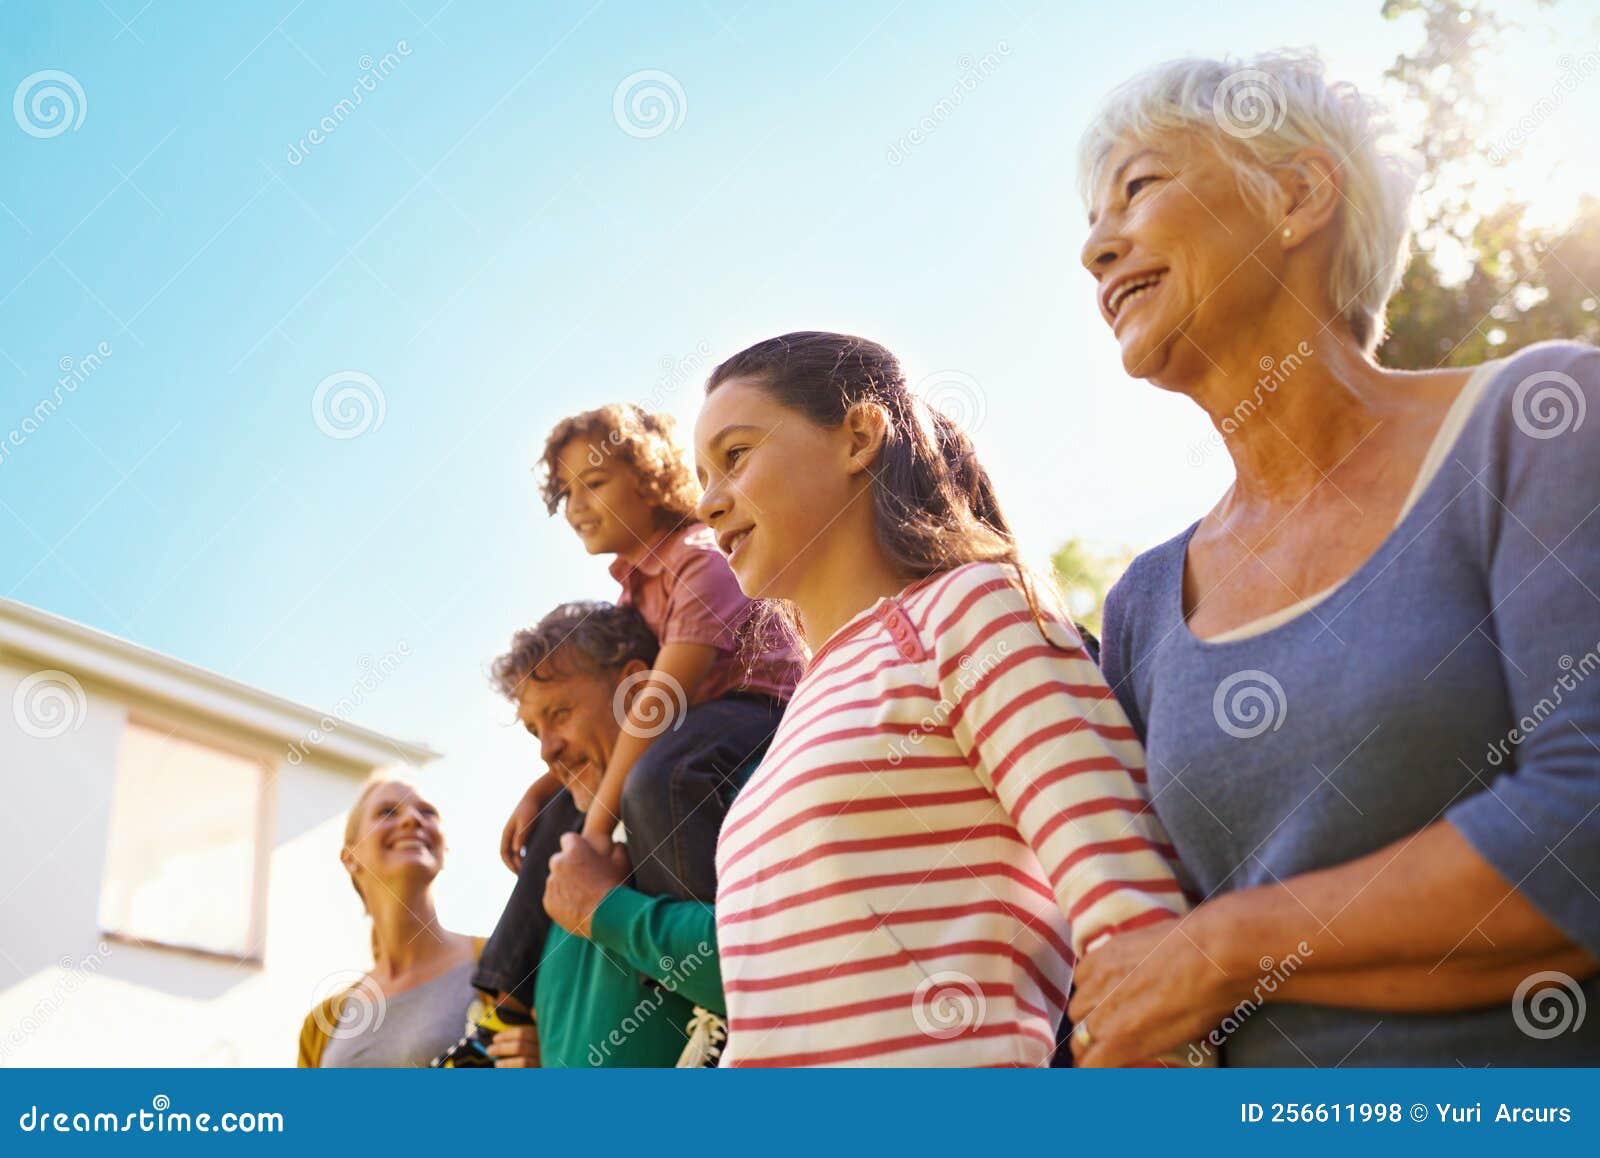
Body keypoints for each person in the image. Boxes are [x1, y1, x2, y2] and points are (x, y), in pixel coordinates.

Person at [1067, 52, 1599, 1066]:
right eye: (1090, 221)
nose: (1096, 248)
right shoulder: (1141, 601)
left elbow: (1584, 825)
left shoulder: (1538, 422)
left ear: (1298, 194)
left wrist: (1227, 950)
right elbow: (1129, 945)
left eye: (1137, 187)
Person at [692, 331, 1201, 1067]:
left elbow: (1133, 917)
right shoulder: (809, 704)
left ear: (860, 435)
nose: (708, 503)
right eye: (701, 476)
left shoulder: (972, 610)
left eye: (734, 456)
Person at [477, 406, 801, 1031]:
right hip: (694, 724)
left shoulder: (699, 559)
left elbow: (655, 705)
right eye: (565, 492)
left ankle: (702, 978)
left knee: (657, 775)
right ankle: (501, 1000)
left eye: (594, 484)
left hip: (754, 710)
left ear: (652, 478)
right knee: (565, 809)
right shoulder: (631, 593)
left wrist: (598, 834)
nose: (576, 505)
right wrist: (547, 787)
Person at [474, 601, 746, 1066]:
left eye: (560, 713)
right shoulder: (564, 855)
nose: (546, 750)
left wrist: (607, 910)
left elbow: (776, 965)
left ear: (639, 692)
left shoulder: (732, 795)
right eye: (533, 730)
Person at [297, 777, 537, 1068]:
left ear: (444, 850)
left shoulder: (505, 967)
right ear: (350, 857)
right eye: (387, 812)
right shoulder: (321, 1025)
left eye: (427, 812)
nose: (412, 819)